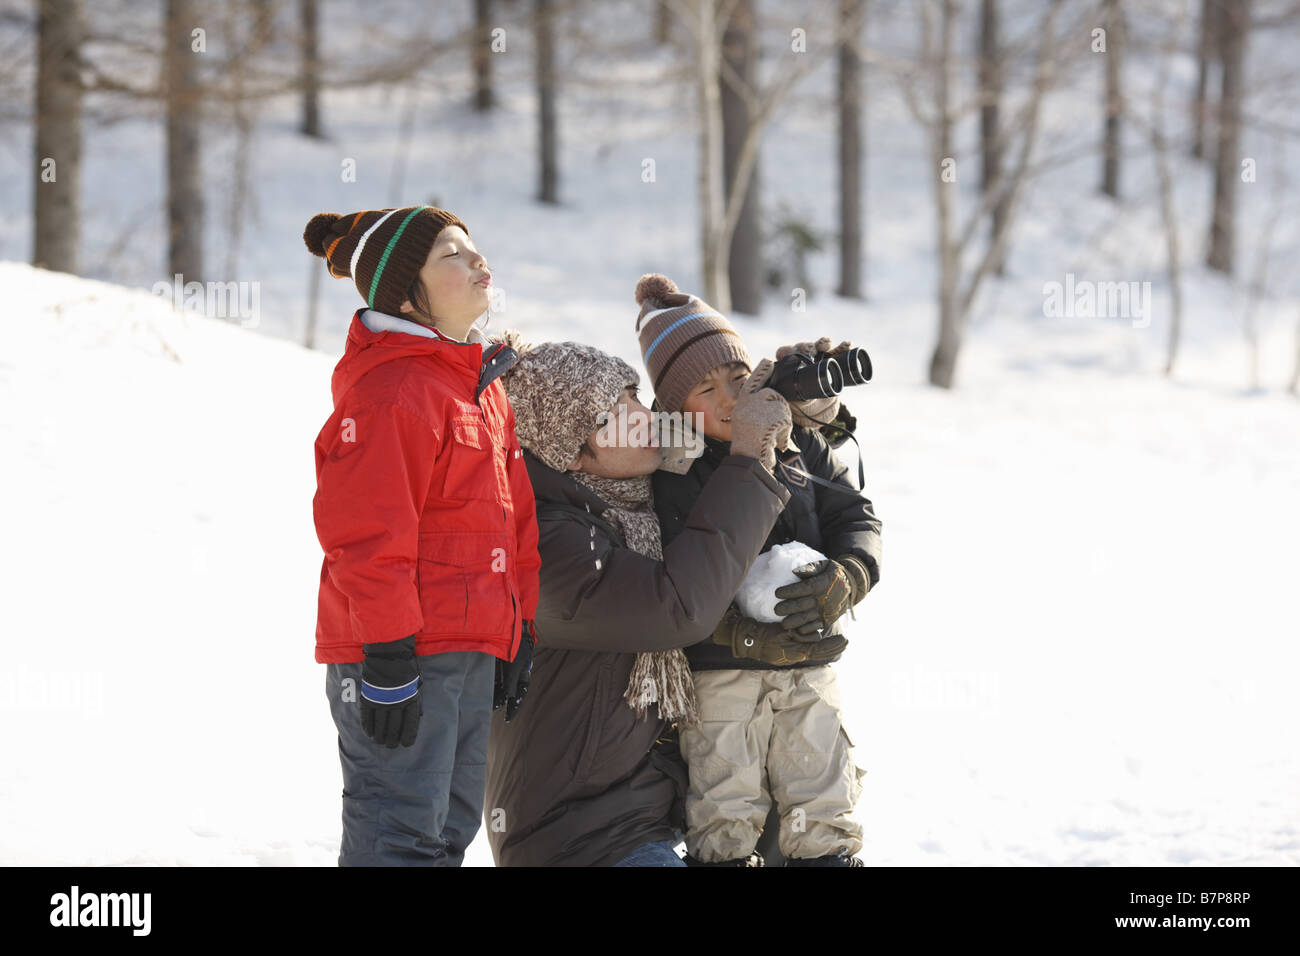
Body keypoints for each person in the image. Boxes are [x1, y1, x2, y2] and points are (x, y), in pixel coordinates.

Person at [484, 340, 842, 866]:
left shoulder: (631, 494)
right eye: (615, 411)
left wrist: (814, 413)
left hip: (669, 809)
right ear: (571, 450)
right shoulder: (548, 543)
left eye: (633, 392)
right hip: (581, 834)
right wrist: (746, 457)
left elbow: (716, 423)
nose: (641, 413)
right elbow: (676, 605)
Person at [304, 205, 541, 866]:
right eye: (451, 256)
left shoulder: (479, 390)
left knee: (448, 829)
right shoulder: (396, 389)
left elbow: (513, 520)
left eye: (472, 248)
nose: (476, 262)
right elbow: (364, 530)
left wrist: (517, 630)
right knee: (399, 830)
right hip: (400, 657)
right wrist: (385, 654)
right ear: (408, 297)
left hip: (464, 648)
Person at [636, 273, 883, 866]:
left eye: (738, 379)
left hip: (810, 660)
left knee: (824, 804)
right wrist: (741, 634)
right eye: (704, 389)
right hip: (720, 678)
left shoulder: (796, 438)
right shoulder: (669, 471)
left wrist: (849, 576)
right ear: (673, 407)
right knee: (725, 811)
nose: (728, 399)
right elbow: (677, 576)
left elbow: (856, 515)